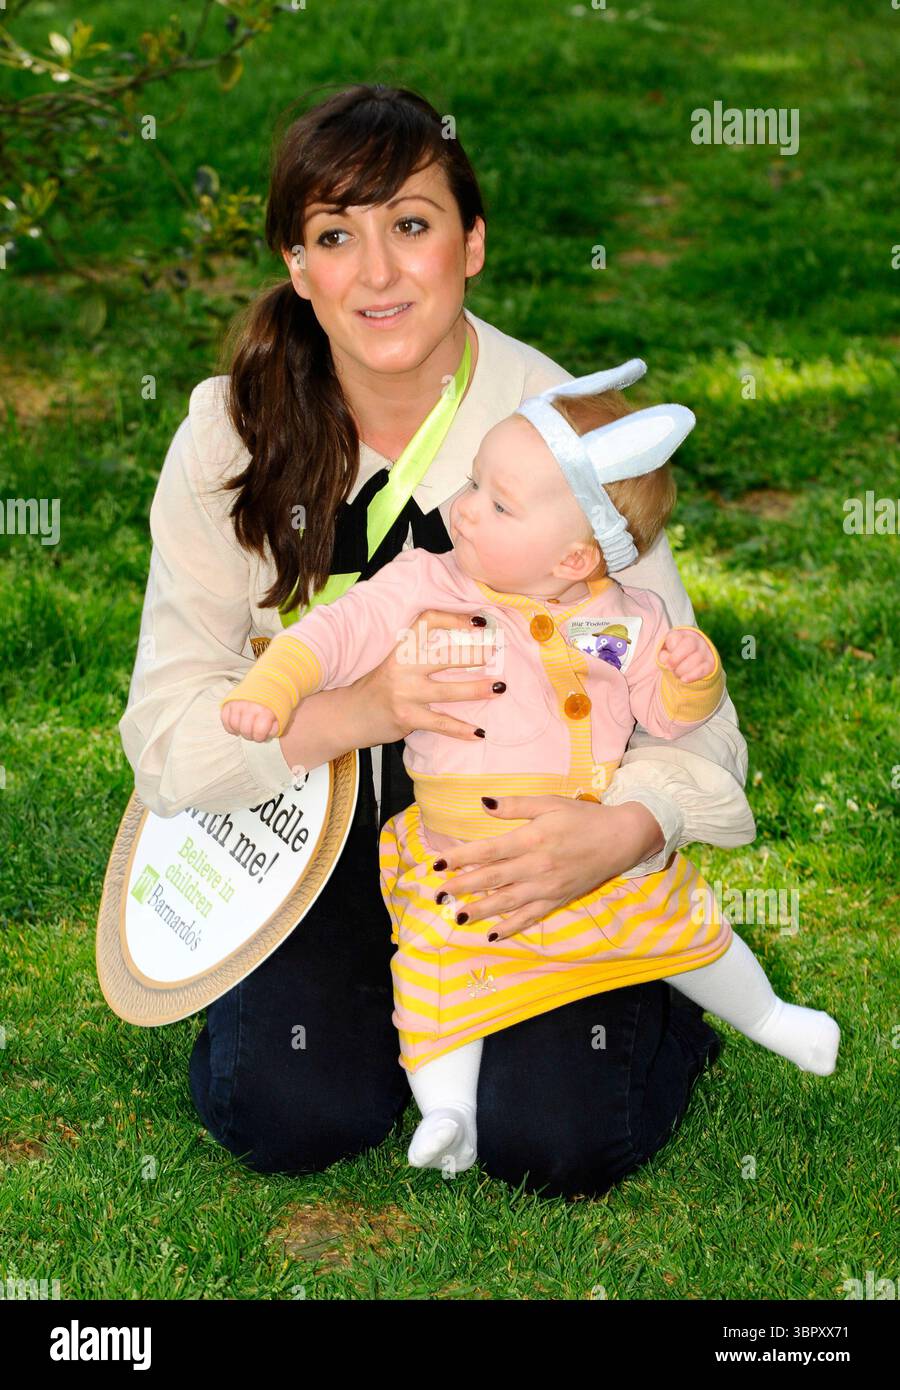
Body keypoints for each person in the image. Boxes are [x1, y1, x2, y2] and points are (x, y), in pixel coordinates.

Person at [118, 82, 759, 1200]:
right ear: (295, 263)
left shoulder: (561, 435)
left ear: (470, 243)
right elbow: (166, 742)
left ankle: (639, 981)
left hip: (528, 838)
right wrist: (365, 712)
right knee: (287, 1110)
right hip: (310, 837)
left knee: (555, 1140)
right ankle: (373, 1001)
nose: (375, 275)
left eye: (410, 226)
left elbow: (703, 735)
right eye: (334, 236)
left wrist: (619, 831)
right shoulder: (227, 434)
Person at [219, 361, 841, 1174]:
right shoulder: (426, 583)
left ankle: (768, 1018)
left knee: (682, 927)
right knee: (437, 980)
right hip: (457, 855)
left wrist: (694, 681)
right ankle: (450, 1113)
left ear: (574, 561)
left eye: (495, 503)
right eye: (473, 483)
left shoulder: (612, 621)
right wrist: (276, 684)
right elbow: (333, 634)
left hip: (586, 851)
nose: (460, 510)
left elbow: (664, 711)